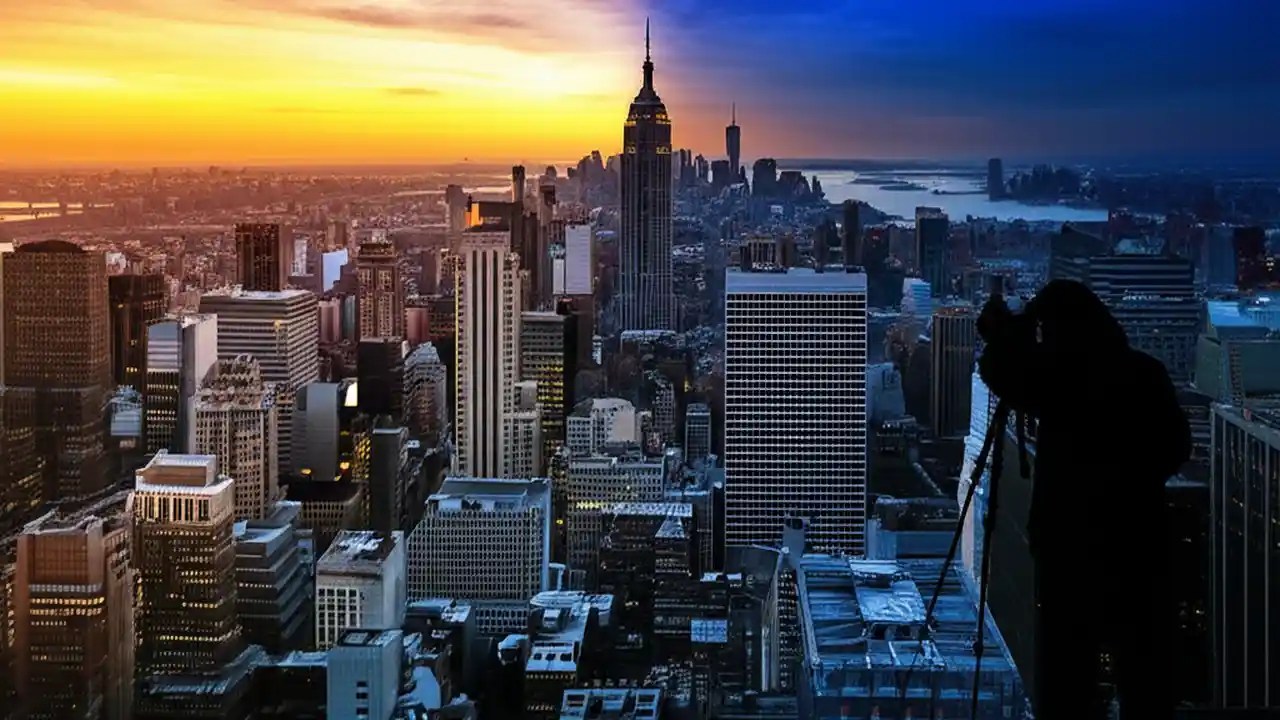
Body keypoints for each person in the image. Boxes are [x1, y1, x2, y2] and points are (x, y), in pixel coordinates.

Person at [977, 279, 1190, 720]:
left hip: (1069, 549)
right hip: (1141, 545)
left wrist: (1011, 327)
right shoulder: (1144, 372)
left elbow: (998, 370)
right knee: (1145, 675)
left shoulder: (1060, 382)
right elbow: (1177, 447)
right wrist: (1133, 478)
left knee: (1068, 680)